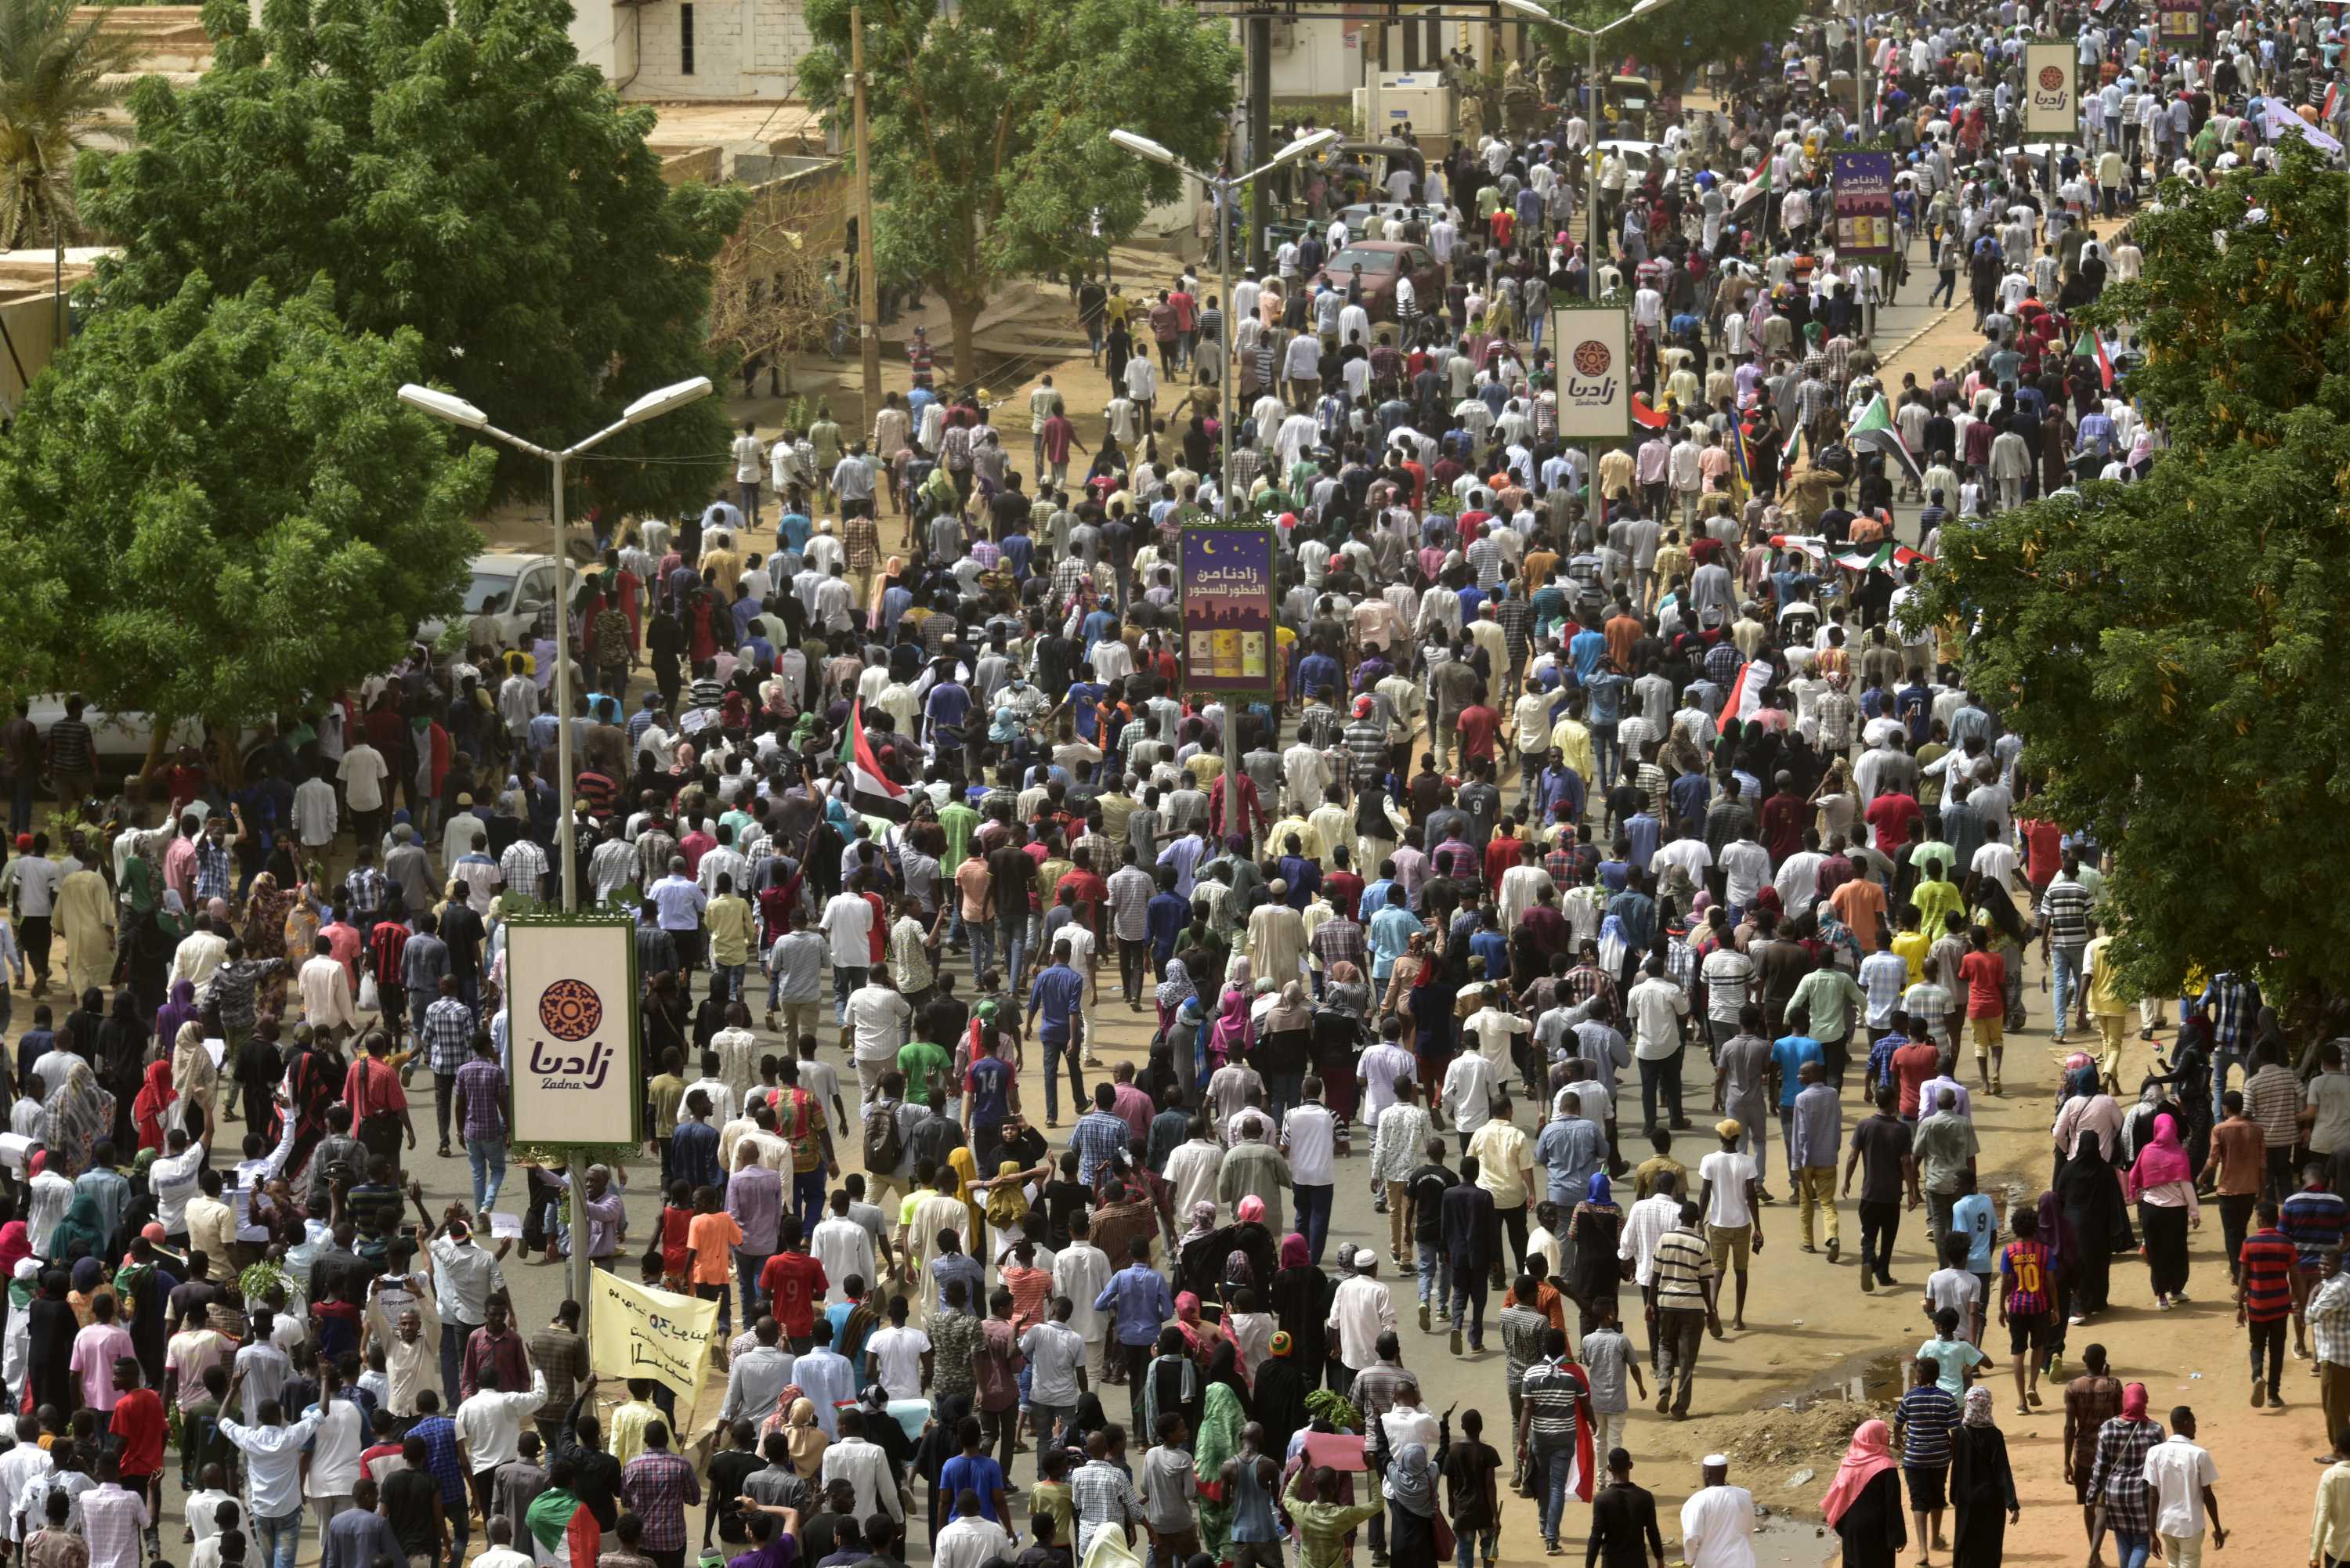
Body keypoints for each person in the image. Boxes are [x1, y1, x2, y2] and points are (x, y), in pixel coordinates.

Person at [2140, 1405, 2224, 1567]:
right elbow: (2208, 1496)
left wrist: (2151, 1534)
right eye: (2193, 1423)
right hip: (2190, 1526)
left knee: (2173, 1563)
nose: (2195, 1427)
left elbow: (2152, 1495)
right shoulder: (2199, 1454)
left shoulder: (2154, 1453)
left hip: (2166, 1525)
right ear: (2185, 1424)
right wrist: (2218, 1528)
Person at [1947, 1387, 2019, 1568]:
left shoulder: (1958, 1434)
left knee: (1965, 1543)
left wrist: (1954, 1495)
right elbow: (2002, 1470)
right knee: (1989, 1546)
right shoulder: (1995, 1436)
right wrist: (2012, 1503)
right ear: (1987, 1406)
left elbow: (1956, 1468)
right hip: (1991, 1501)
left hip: (1966, 1499)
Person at [1820, 1419, 1905, 1568]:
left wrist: (1845, 1529)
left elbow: (1839, 1498)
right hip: (1877, 1531)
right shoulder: (1887, 1467)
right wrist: (1897, 1537)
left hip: (1852, 1528)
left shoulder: (1848, 1463)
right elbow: (1893, 1506)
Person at [1585, 1447, 1665, 1568]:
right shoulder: (1645, 1497)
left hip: (1612, 1562)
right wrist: (1659, 1559)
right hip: (1638, 1561)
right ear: (1631, 1465)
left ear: (1609, 1468)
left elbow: (1596, 1536)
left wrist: (1589, 1566)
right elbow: (1652, 1531)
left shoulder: (1602, 1499)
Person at [1679, 1455, 1755, 1568]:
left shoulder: (1698, 1500)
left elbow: (1691, 1536)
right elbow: (1749, 1528)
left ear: (1707, 1473)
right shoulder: (1744, 1495)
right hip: (1741, 1560)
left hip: (1711, 1562)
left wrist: (1689, 1559)